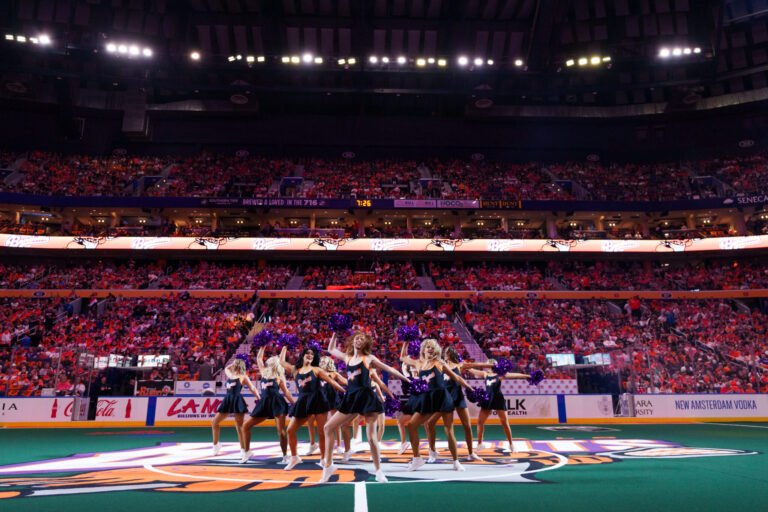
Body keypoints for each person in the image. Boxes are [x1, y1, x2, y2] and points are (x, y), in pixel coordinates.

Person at [320, 330, 409, 483]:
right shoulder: (347, 358)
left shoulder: (369, 358)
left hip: (367, 397)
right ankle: (328, 466)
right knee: (328, 427)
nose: (358, 340)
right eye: (357, 338)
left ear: (365, 343)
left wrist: (406, 379)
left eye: (362, 338)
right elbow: (331, 349)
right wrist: (335, 331)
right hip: (351, 398)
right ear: (353, 341)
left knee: (371, 437)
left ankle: (379, 471)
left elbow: (389, 369)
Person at [399, 338, 472, 472]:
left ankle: (456, 462)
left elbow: (457, 377)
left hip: (443, 398)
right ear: (423, 349)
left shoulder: (439, 363)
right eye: (428, 347)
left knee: (448, 430)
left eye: (433, 347)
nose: (430, 349)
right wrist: (407, 341)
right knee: (411, 425)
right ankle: (417, 459)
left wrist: (469, 388)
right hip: (427, 399)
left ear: (436, 350)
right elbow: (403, 357)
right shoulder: (418, 364)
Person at [280, 345, 345, 471]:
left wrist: (345, 390)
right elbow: (282, 362)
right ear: (303, 355)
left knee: (322, 432)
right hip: (303, 401)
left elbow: (332, 382)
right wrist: (285, 346)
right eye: (307, 353)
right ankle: (294, 457)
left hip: (318, 400)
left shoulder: (317, 370)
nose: (310, 355)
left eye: (312, 354)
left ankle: (323, 459)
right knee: (290, 430)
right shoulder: (296, 370)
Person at [425, 347, 488, 462]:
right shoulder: (440, 365)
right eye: (444, 351)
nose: (445, 353)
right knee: (431, 423)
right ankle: (432, 452)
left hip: (458, 397)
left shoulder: (459, 364)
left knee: (467, 426)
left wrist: (491, 366)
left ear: (451, 354)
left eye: (447, 351)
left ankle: (471, 453)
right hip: (446, 399)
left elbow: (476, 364)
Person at [241, 346, 295, 464]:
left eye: (270, 362)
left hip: (277, 403)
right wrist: (262, 346)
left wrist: (295, 404)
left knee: (281, 432)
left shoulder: (280, 377)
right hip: (264, 403)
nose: (267, 363)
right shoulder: (264, 372)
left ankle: (285, 456)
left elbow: (286, 392)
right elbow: (259, 358)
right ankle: (246, 452)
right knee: (246, 426)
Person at [466, 359, 531, 452]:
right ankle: (480, 444)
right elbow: (472, 370)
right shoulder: (485, 374)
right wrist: (463, 365)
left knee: (505, 423)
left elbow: (515, 375)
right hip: (488, 399)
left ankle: (511, 444)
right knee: (480, 422)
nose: (489, 367)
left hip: (498, 399)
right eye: (488, 365)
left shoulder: (500, 374)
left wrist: (527, 376)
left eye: (490, 365)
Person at [211, 358, 261, 460]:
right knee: (215, 422)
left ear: (238, 365)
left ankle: (244, 450)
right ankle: (216, 445)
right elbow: (226, 368)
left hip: (237, 400)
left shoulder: (243, 377)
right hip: (228, 400)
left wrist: (259, 398)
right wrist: (234, 363)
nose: (232, 365)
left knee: (239, 426)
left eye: (235, 364)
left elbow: (253, 388)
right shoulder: (230, 375)